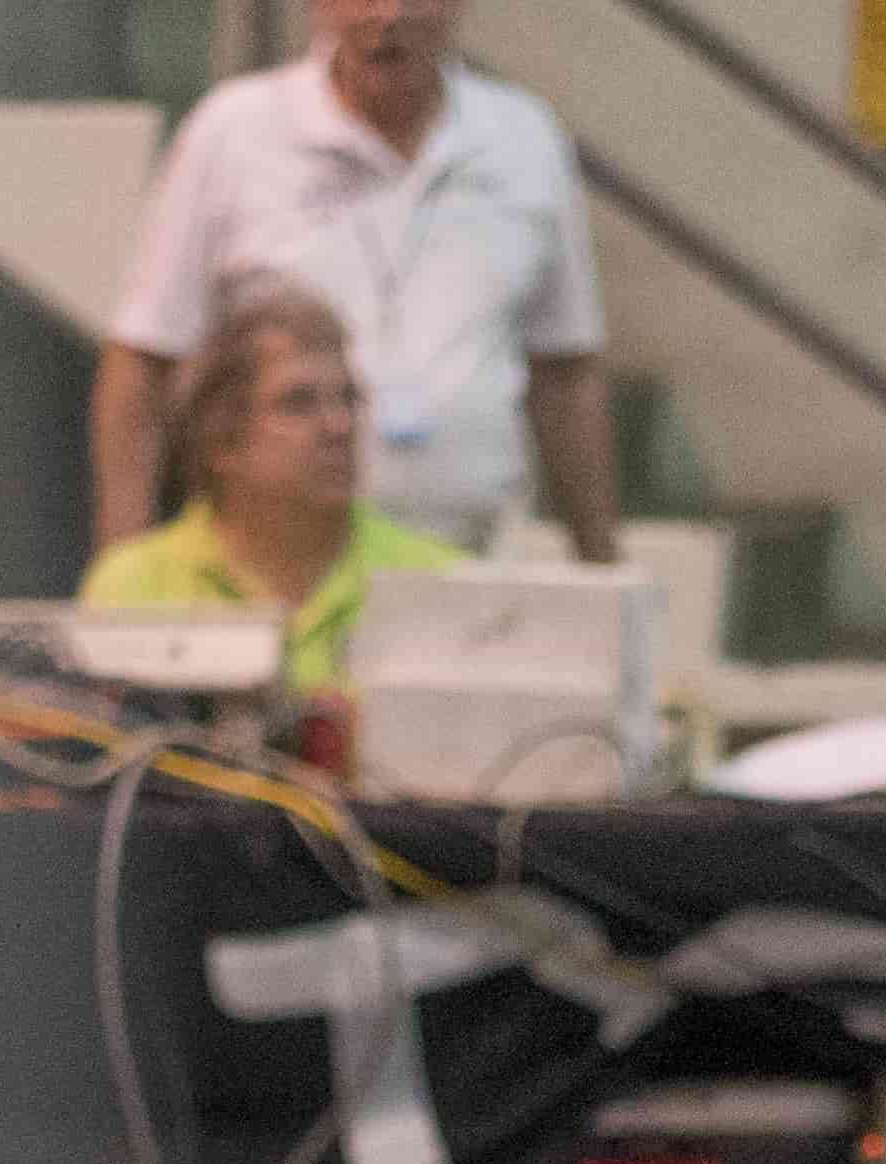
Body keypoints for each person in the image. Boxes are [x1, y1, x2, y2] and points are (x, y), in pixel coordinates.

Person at [100, 0, 615, 571]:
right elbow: (141, 365)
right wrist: (122, 571)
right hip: (270, 568)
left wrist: (601, 565)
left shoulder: (523, 137)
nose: (388, 14)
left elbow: (565, 375)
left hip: (464, 562)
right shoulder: (234, 129)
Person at [83, 289, 467, 706]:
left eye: (349, 398)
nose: (339, 425)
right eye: (299, 403)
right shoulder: (133, 587)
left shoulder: (442, 584)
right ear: (221, 439)